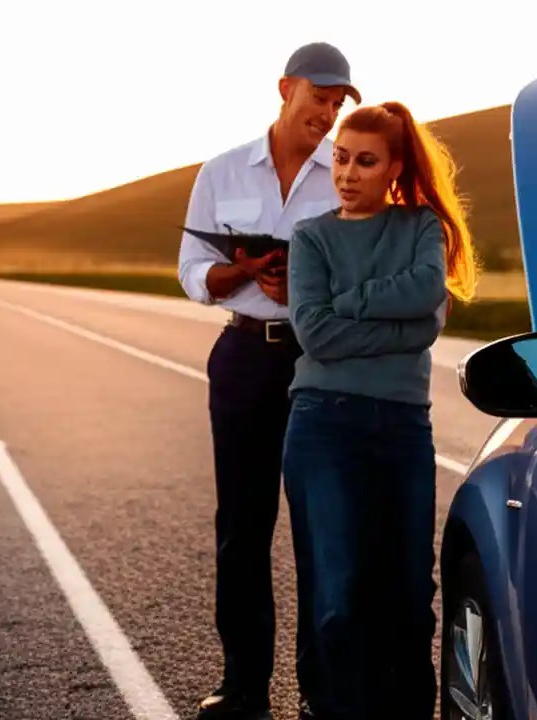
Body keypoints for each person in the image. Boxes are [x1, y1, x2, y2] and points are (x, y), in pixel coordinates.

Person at [177, 42, 361, 720]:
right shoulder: (222, 172)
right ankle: (244, 687)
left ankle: (320, 691)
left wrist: (308, 282)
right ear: (286, 88)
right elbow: (192, 269)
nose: (330, 112)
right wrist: (242, 273)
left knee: (321, 528)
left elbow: (361, 267)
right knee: (243, 528)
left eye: (341, 103)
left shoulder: (346, 175)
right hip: (244, 358)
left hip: (318, 360)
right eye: (321, 96)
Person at [282, 100, 479, 720]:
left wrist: (351, 301)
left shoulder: (421, 228)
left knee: (410, 593)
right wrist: (396, 324)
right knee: (336, 593)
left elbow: (427, 298)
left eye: (365, 162)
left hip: (400, 428)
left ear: (393, 167)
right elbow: (315, 334)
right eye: (340, 158)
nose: (347, 173)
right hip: (322, 425)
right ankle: (331, 706)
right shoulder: (311, 237)